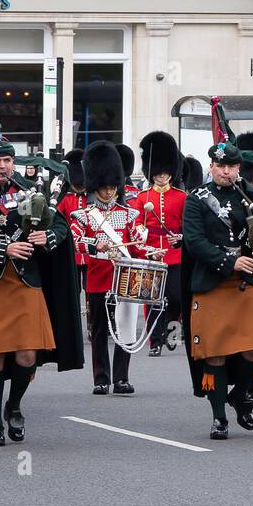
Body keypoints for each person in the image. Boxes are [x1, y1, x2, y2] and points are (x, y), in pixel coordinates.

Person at [0, 111, 82, 446]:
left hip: (26, 282)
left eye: (8, 160)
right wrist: (5, 249)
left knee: (28, 355)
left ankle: (15, 405)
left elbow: (58, 225)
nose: (3, 166)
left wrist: (47, 238)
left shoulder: (29, 192)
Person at [181, 139, 253, 439]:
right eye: (221, 166)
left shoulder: (251, 195)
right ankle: (219, 417)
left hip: (246, 285)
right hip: (212, 283)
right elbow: (194, 241)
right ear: (212, 166)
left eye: (232, 166)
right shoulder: (197, 199)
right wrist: (230, 262)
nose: (226, 172)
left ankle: (241, 396)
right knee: (216, 354)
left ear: (239, 168)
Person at [70, 141, 142, 396]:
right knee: (99, 331)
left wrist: (151, 250)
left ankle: (121, 378)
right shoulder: (84, 215)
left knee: (125, 328)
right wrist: (95, 245)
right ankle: (101, 378)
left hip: (123, 278)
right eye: (105, 187)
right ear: (95, 186)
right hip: (98, 279)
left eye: (113, 186)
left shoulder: (129, 213)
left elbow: (137, 246)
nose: (109, 192)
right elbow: (76, 241)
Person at [132, 131, 185, 357]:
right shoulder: (143, 197)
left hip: (174, 253)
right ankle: (155, 339)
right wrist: (143, 237)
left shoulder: (181, 197)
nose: (161, 177)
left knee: (175, 297)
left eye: (165, 174)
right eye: (158, 174)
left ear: (171, 173)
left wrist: (179, 237)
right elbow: (136, 224)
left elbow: (187, 226)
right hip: (151, 252)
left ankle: (173, 331)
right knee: (152, 298)